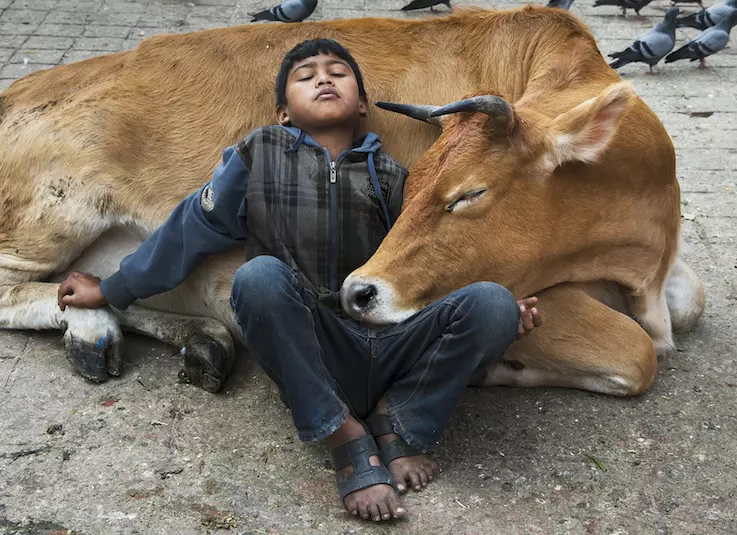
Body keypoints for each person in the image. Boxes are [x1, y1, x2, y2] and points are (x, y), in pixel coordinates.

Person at [56, 38, 542, 521]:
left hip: (391, 342)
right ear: (284, 112)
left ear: (364, 104)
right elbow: (187, 231)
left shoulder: (394, 177)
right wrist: (111, 288)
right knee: (259, 277)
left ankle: (399, 426)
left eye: (338, 72)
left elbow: (424, 262)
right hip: (313, 349)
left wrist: (500, 313)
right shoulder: (257, 154)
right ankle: (342, 434)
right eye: (305, 76)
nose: (324, 78)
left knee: (493, 302)